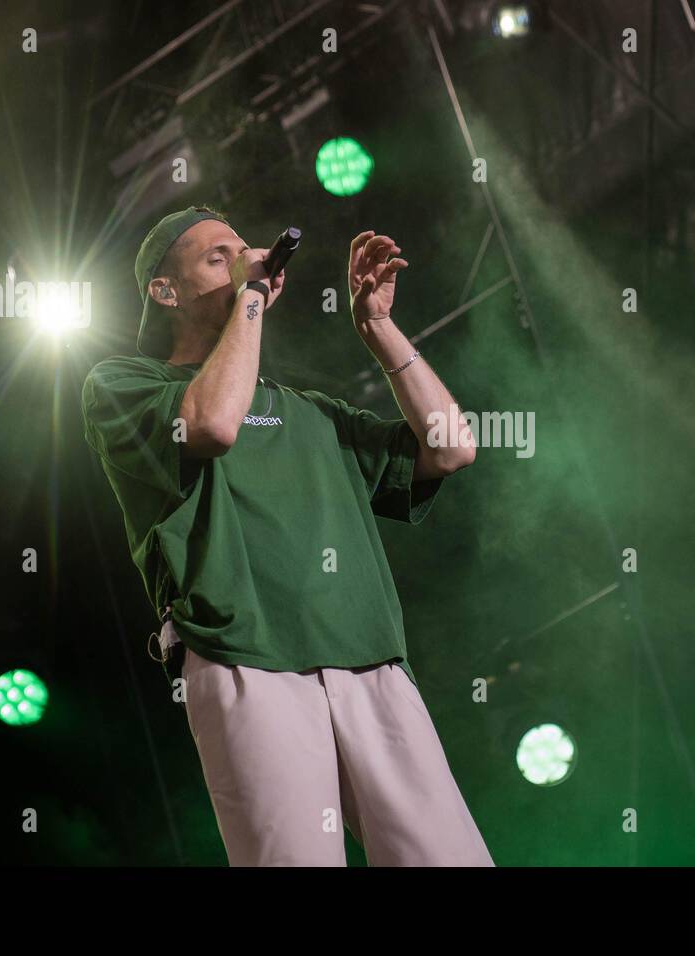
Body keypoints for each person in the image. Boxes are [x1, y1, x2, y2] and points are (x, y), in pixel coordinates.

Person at [80, 205, 492, 866]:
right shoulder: (122, 386)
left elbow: (451, 448)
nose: (244, 261)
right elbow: (213, 424)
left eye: (245, 251)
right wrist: (250, 294)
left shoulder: (311, 411)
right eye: (218, 257)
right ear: (165, 290)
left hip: (370, 657)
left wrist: (378, 326)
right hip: (244, 658)